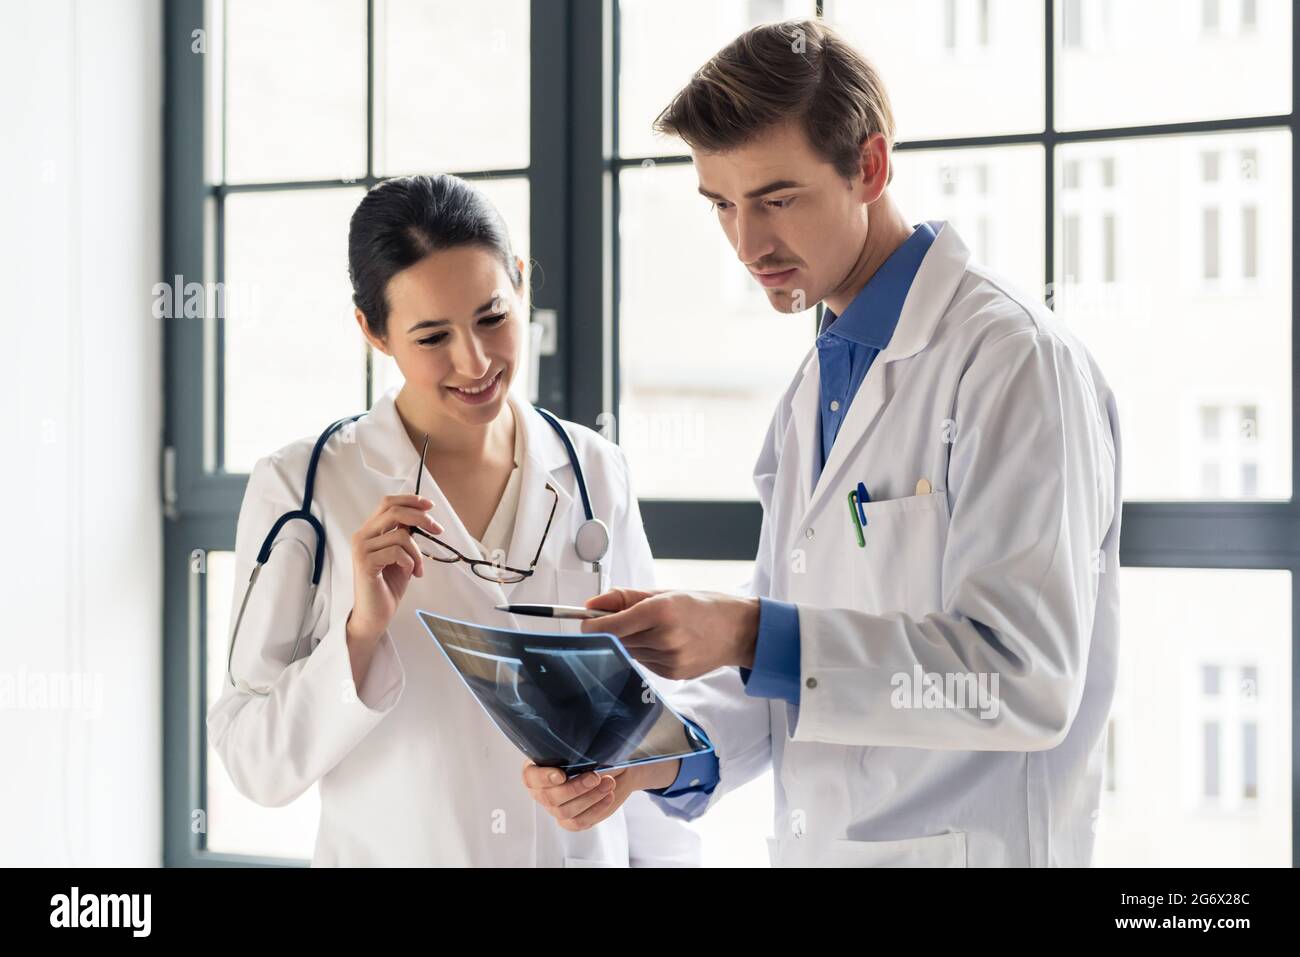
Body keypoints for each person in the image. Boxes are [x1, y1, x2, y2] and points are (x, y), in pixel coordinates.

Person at [523, 19, 1121, 867]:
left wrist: (748, 632)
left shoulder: (1014, 359)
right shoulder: (823, 376)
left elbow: (1022, 677)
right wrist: (647, 756)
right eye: (722, 205)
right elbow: (788, 687)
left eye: (776, 198)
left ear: (869, 168)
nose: (747, 243)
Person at [208, 173, 699, 867]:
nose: (475, 362)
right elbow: (254, 761)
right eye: (433, 335)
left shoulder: (595, 471)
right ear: (373, 331)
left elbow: (651, 720)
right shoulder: (302, 487)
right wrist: (361, 631)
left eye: (493, 317)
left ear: (522, 282)